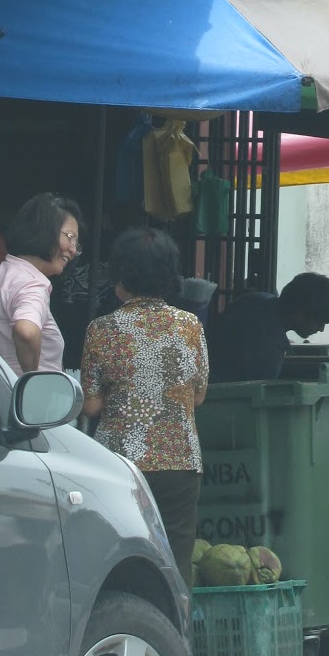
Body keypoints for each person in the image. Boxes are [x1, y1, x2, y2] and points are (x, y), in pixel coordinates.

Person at [81, 229, 209, 587]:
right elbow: (197, 396)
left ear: (120, 277)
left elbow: (90, 406)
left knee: (121, 559)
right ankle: (175, 640)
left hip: (120, 464)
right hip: (180, 462)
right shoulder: (189, 325)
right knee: (177, 564)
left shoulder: (102, 330)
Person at [0, 193, 82, 375]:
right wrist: (32, 380)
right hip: (27, 399)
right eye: (69, 237)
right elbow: (26, 331)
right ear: (43, 229)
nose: (72, 249)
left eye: (76, 243)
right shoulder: (32, 285)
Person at [207, 272, 329, 382]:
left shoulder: (257, 301)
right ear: (300, 313)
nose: (321, 328)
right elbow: (254, 399)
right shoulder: (268, 343)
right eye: (319, 321)